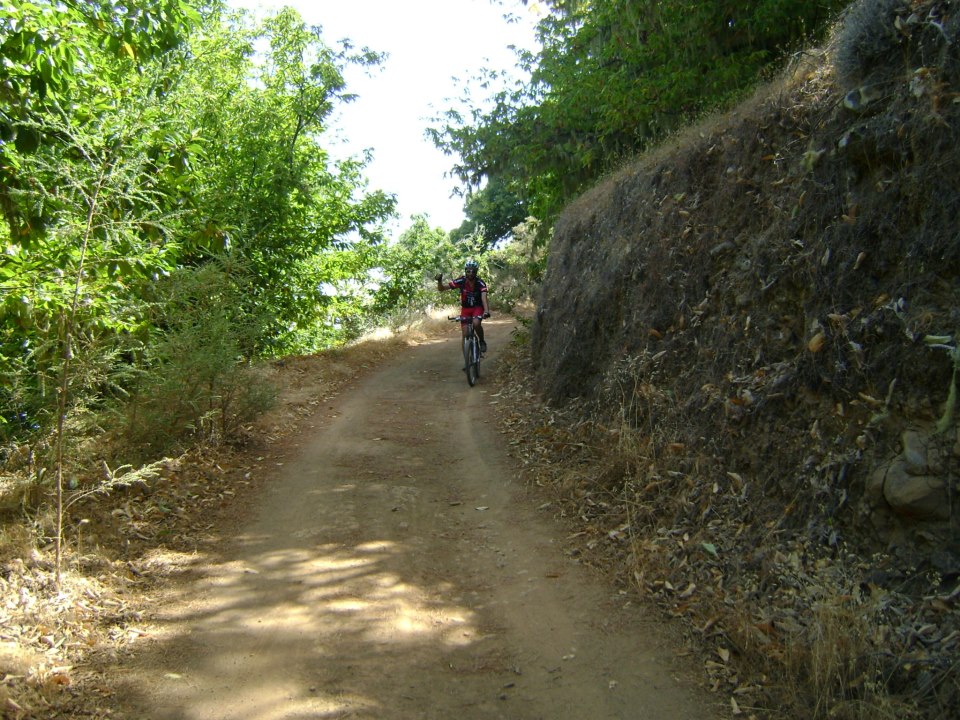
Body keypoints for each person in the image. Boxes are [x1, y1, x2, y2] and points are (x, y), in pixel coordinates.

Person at [436, 259, 491, 354]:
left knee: (476, 323)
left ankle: (481, 341)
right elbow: (442, 289)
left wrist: (486, 311)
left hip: (477, 308)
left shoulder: (480, 283)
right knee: (465, 334)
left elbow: (484, 298)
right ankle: (467, 359)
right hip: (465, 309)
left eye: (473, 271)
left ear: (476, 272)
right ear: (465, 271)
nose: (470, 273)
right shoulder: (461, 281)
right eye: (468, 271)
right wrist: (439, 281)